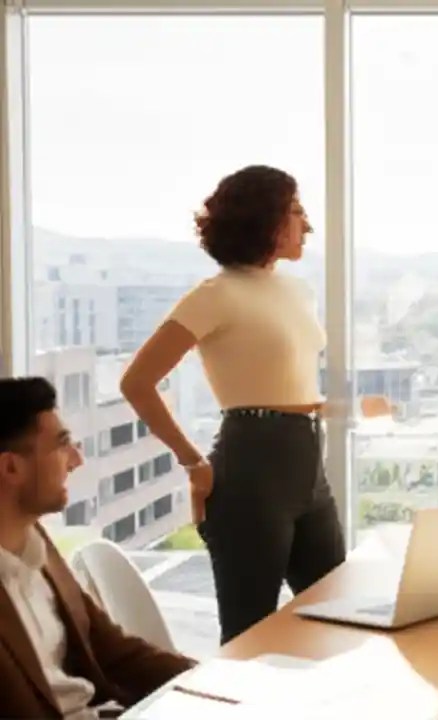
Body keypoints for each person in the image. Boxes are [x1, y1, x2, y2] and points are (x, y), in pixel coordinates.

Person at [120, 165, 345, 645]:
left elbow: (278, 375)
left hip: (307, 461)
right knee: (249, 634)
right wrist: (192, 461)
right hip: (250, 468)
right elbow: (137, 382)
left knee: (337, 612)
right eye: (297, 212)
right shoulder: (215, 295)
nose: (307, 225)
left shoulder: (295, 290)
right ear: (264, 220)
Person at [0, 378, 195, 718]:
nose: (76, 460)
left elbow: (114, 652)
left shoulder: (36, 542)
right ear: (11, 467)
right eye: (62, 445)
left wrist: (213, 680)